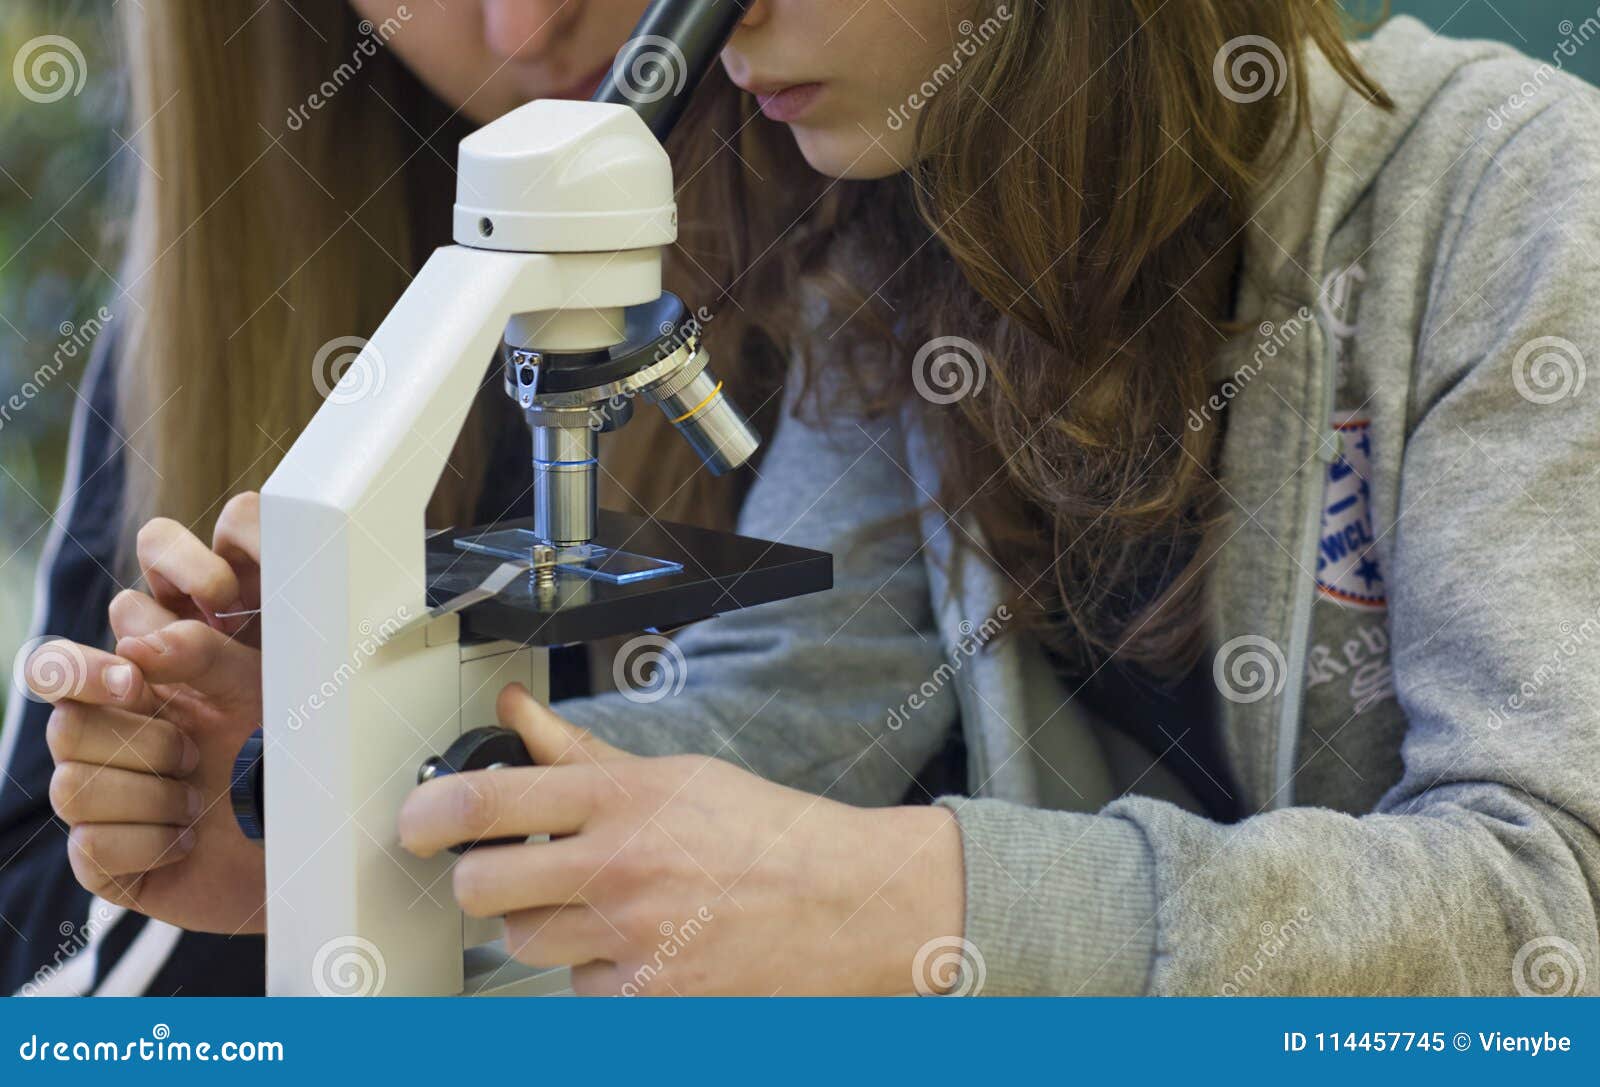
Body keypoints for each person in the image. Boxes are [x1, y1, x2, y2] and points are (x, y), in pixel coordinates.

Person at [28, 0, 1600, 996]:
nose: (710, 23)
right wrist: (361, 814)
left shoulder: (1516, 207)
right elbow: (780, 716)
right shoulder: (889, 245)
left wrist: (921, 895)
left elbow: (1554, 912)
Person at [1, 0, 877, 995]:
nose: (526, 27)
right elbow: (34, 941)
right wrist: (286, 816)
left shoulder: (893, 242)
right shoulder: (192, 336)